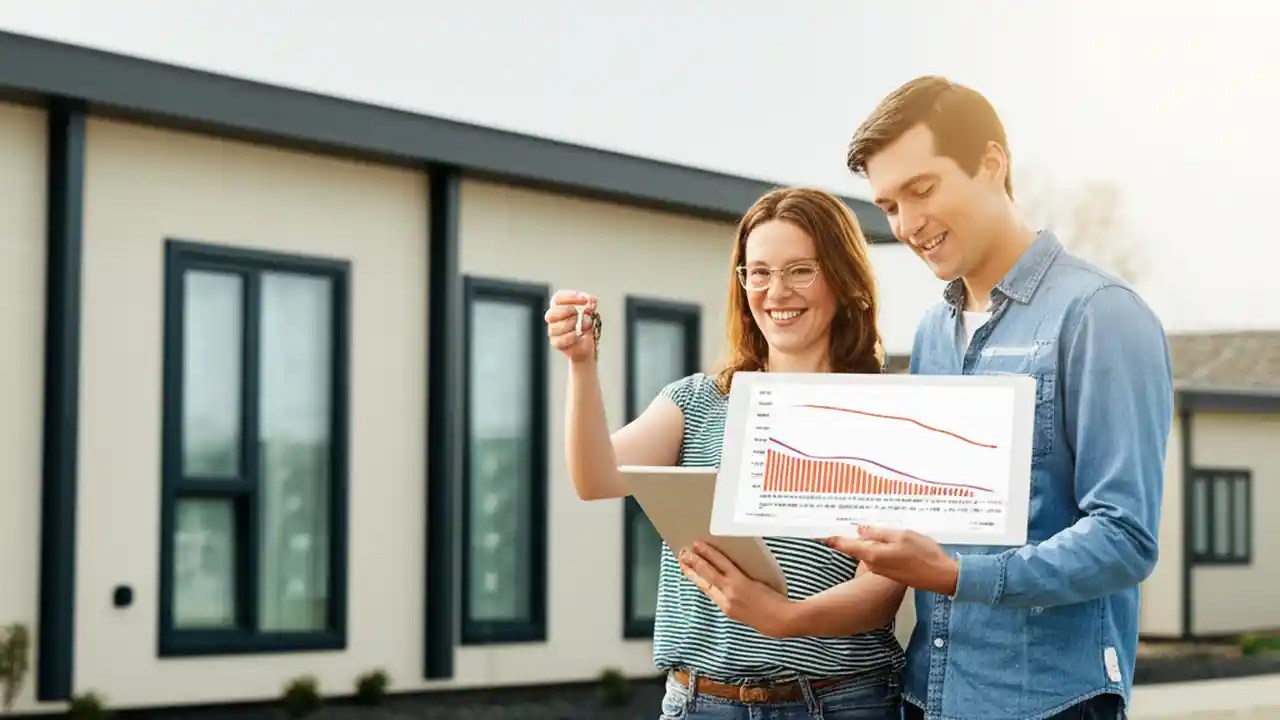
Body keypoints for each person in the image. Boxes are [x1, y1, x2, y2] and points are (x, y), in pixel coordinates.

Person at [822, 76, 1172, 720]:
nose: (906, 224)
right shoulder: (932, 332)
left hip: (1050, 702)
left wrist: (959, 576)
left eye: (921, 190)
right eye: (889, 205)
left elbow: (1125, 537)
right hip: (929, 694)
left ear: (991, 163)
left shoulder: (1100, 316)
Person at [545, 187, 907, 719]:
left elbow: (882, 590)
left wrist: (780, 616)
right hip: (701, 703)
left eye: (800, 270)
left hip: (839, 702)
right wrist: (582, 364)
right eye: (758, 272)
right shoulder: (699, 400)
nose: (776, 291)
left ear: (843, 278)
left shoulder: (888, 411)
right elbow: (594, 477)